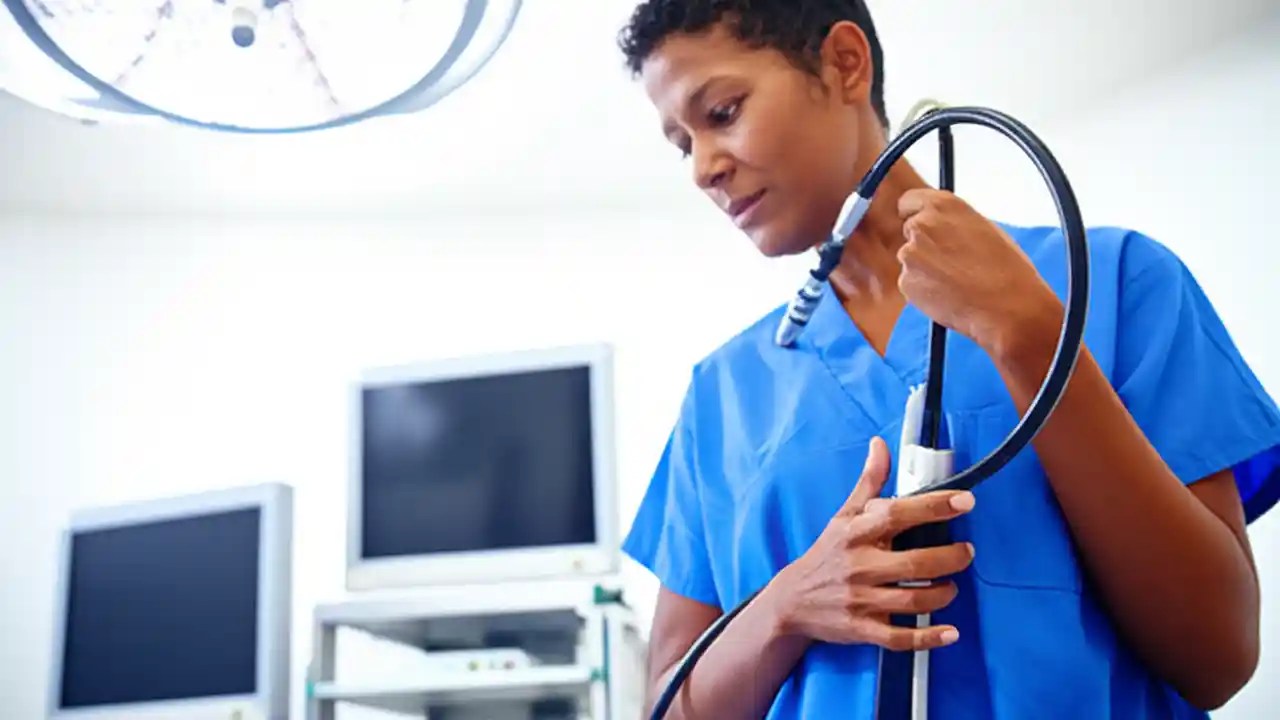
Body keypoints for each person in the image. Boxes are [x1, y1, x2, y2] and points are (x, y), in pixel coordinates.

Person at [615, 1, 1280, 719]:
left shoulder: (1120, 284)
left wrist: (1027, 335)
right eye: (683, 144)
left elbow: (1219, 657)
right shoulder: (725, 394)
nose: (704, 170)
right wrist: (785, 606)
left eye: (722, 111)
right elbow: (666, 706)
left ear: (844, 63)